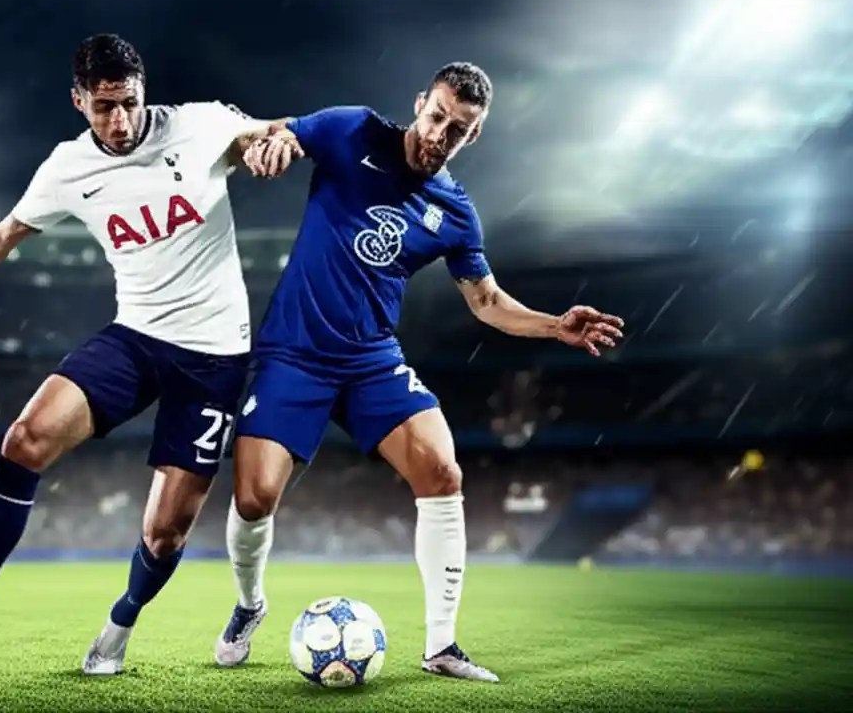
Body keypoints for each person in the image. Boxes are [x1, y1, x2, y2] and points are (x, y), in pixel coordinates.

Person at [0, 33, 276, 680]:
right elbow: (0, 238)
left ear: (144, 90)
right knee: (24, 438)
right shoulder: (67, 168)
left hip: (215, 356)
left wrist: (263, 144)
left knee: (165, 535)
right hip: (135, 337)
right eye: (104, 106)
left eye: (129, 102)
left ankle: (119, 624)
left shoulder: (199, 125)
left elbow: (258, 136)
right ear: (78, 100)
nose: (121, 120)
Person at [214, 62, 625, 682]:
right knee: (254, 498)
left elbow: (486, 303)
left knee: (443, 469)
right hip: (294, 352)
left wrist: (553, 325)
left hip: (371, 359)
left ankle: (441, 647)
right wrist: (274, 141)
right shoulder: (351, 131)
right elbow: (283, 133)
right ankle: (250, 605)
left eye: (458, 129)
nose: (440, 134)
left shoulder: (455, 212)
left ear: (473, 136)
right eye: (436, 117)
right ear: (419, 104)